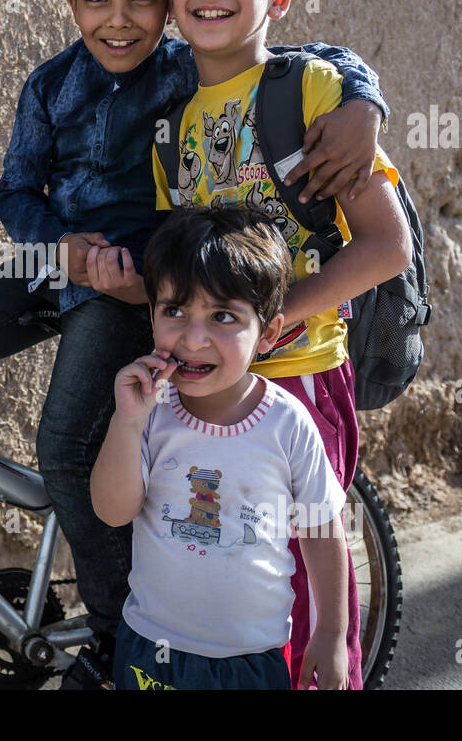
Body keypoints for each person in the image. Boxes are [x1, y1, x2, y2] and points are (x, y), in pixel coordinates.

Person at [0, 0, 390, 688]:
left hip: (138, 287)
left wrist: (366, 98)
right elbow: (16, 190)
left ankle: (112, 627)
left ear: (165, 3)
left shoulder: (185, 70)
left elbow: (292, 53)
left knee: (62, 441)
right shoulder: (51, 85)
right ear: (72, 3)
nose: (120, 21)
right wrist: (58, 247)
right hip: (61, 265)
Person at [119, 0, 414, 688]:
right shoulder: (170, 133)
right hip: (205, 395)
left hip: (302, 383)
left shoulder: (312, 91)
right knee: (232, 602)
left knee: (310, 604)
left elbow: (385, 246)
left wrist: (279, 321)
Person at [91, 207, 351, 690]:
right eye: (175, 311)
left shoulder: (287, 423)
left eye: (223, 316)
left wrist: (332, 635)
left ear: (268, 333)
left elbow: (322, 532)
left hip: (251, 662)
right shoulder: (151, 410)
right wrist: (127, 424)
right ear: (151, 315)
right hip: (152, 651)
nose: (194, 339)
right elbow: (111, 512)